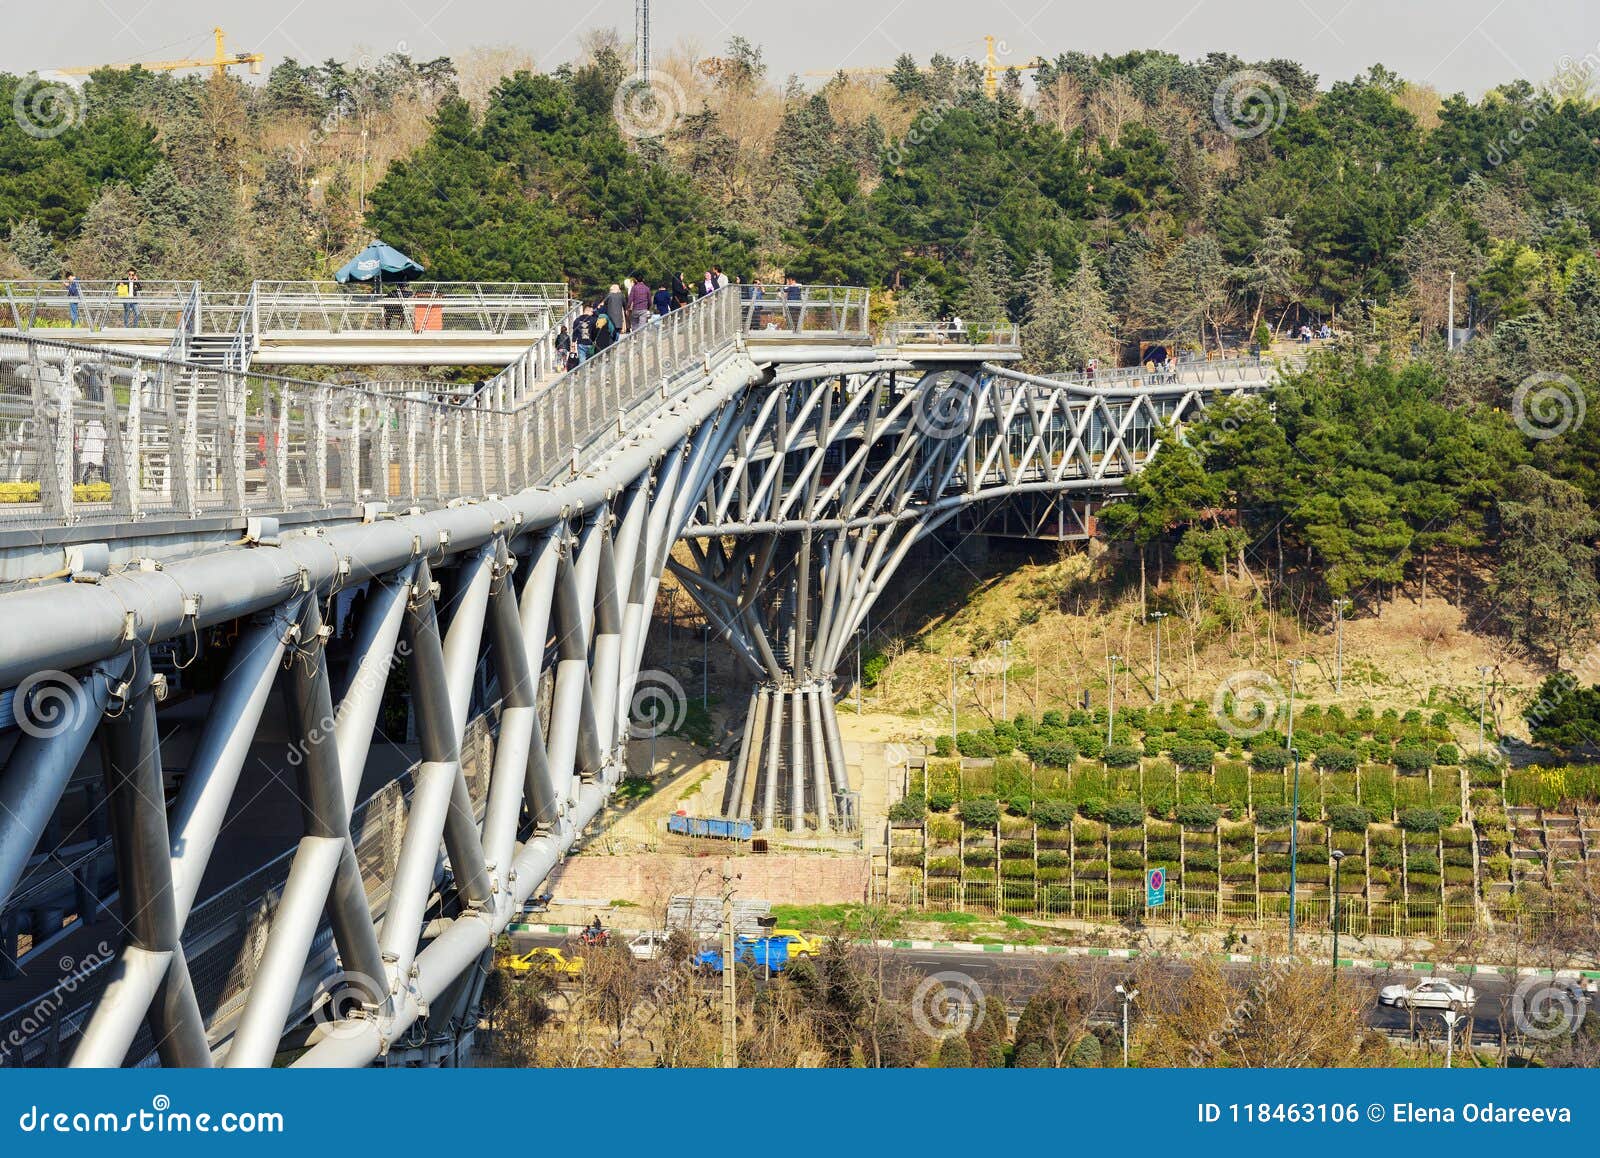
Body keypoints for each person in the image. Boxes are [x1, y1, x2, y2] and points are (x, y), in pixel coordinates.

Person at [78, 417, 106, 485]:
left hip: (92, 449)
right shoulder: (97, 423)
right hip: (96, 450)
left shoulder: (92, 422)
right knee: (94, 467)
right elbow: (104, 436)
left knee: (92, 467)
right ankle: (104, 482)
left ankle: (84, 483)